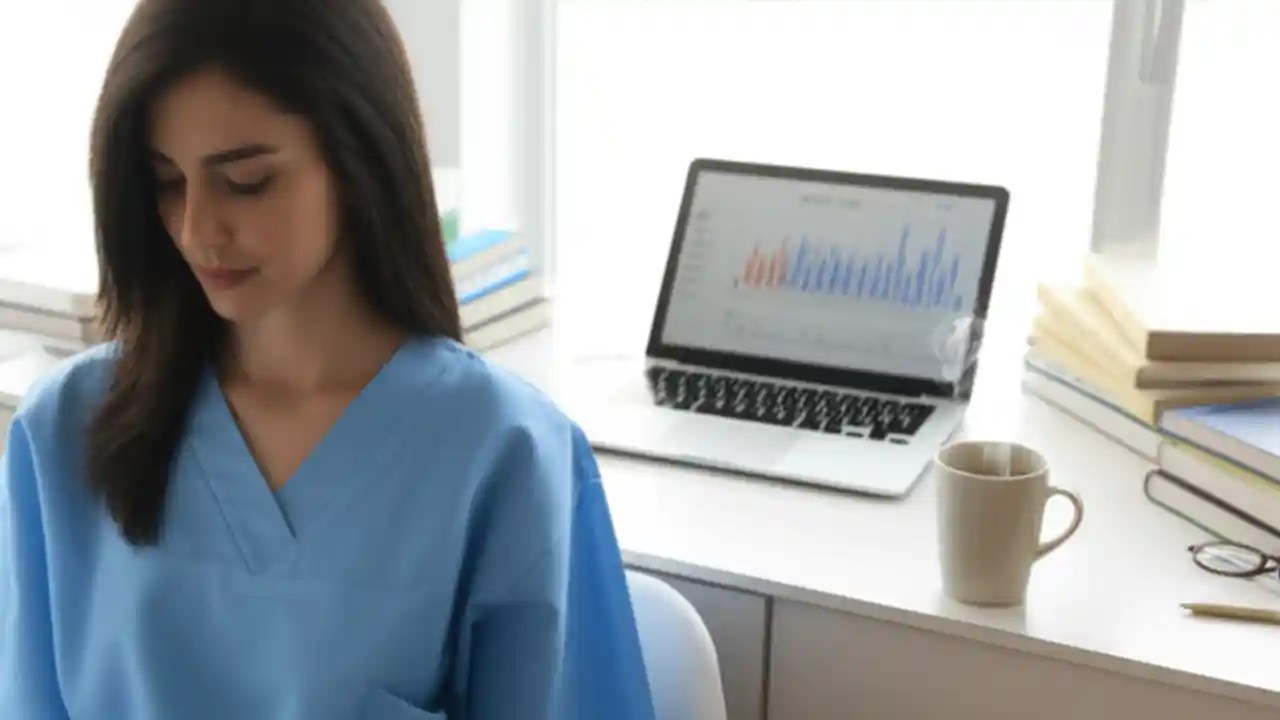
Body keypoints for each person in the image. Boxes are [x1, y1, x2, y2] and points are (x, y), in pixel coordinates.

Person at [0, 1, 655, 718]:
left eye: (247, 180)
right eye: (166, 181)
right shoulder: (61, 433)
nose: (197, 230)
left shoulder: (504, 454)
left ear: (358, 154)